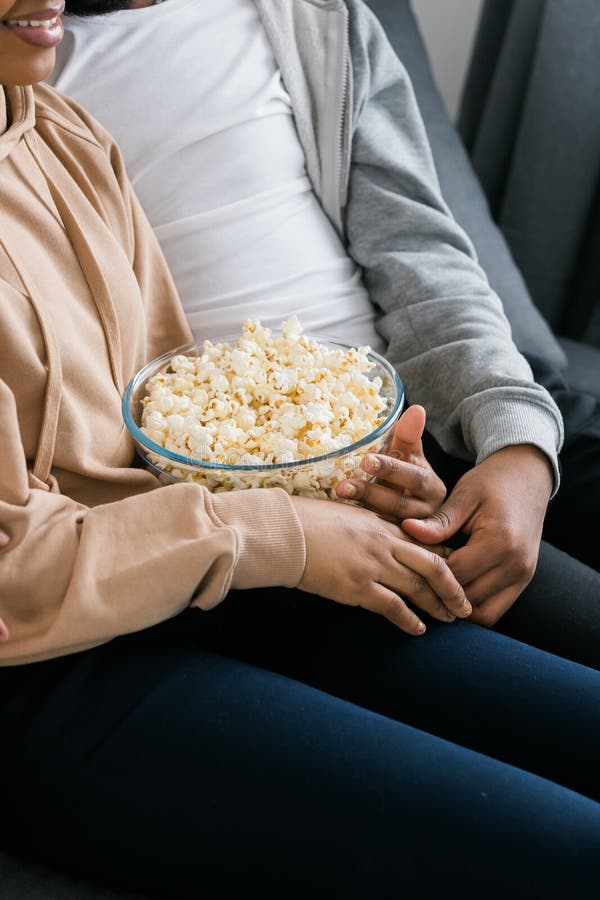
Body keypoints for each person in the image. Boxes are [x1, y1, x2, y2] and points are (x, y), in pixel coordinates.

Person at [1, 3, 600, 898]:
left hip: (197, 576)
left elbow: (160, 419)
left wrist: (324, 483)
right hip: (50, 678)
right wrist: (279, 534)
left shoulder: (60, 134)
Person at [46, 0, 600, 664]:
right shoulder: (27, 72)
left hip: (440, 404)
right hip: (267, 502)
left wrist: (519, 444)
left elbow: (422, 256)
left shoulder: (310, 19)